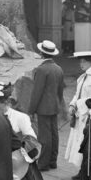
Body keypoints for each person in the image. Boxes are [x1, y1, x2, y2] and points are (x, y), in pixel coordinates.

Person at [28, 40, 65, 171]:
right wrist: (58, 103)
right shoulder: (58, 69)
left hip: (43, 108)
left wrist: (31, 110)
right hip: (54, 105)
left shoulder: (42, 69)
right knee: (54, 134)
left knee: (45, 136)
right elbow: (61, 90)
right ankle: (52, 161)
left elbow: (36, 92)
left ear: (41, 53)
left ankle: (43, 163)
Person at [65, 50, 91, 173]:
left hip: (87, 116)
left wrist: (80, 106)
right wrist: (72, 104)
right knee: (78, 143)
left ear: (90, 62)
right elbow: (77, 94)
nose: (81, 64)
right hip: (79, 115)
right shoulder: (83, 77)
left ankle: (85, 170)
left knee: (84, 143)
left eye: (83, 61)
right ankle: (81, 169)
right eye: (80, 61)